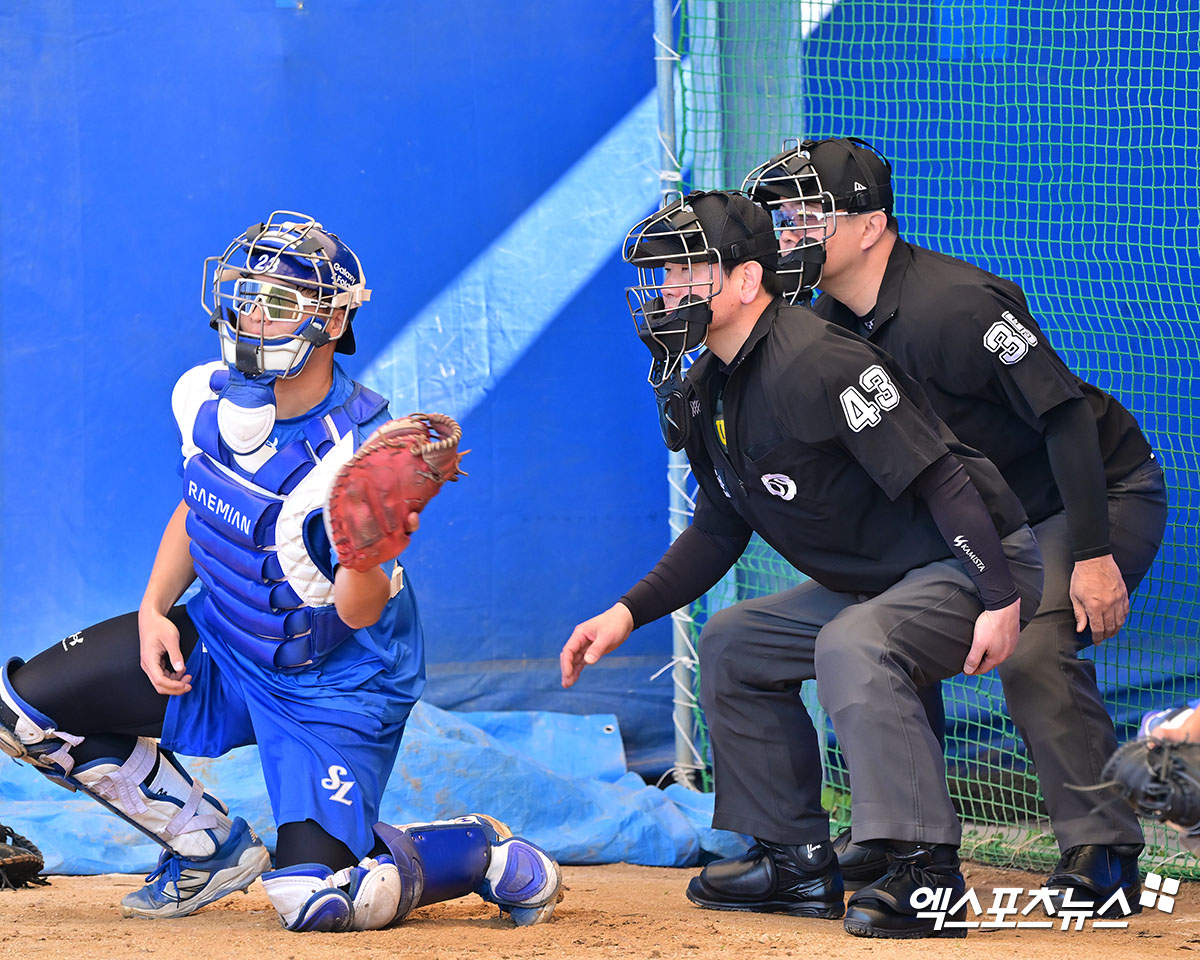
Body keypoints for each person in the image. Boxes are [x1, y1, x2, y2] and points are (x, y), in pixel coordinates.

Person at [0, 212, 560, 932]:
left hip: (334, 683)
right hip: (228, 639)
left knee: (318, 900)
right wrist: (152, 607)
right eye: (246, 294)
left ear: (330, 324)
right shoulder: (202, 396)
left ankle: (478, 853)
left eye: (280, 302)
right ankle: (206, 847)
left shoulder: (359, 451)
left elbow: (359, 611)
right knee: (26, 712)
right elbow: (203, 503)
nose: (253, 314)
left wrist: (366, 549)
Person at [560, 191, 1043, 938]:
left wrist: (1000, 598)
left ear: (747, 280)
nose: (666, 292)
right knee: (734, 641)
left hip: (971, 563)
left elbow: (944, 479)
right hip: (877, 582)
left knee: (853, 642)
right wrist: (624, 613)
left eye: (687, 271)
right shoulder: (709, 386)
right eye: (661, 276)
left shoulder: (822, 360)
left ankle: (926, 873)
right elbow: (720, 530)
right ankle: (794, 863)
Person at [747, 137, 1167, 912]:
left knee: (1035, 645)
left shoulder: (962, 305)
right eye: (782, 218)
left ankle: (1104, 850)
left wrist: (1096, 554)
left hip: (1086, 495)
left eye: (809, 215)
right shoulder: (823, 318)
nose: (789, 233)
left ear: (871, 226)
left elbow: (1068, 417)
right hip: (974, 516)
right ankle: (903, 835)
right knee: (884, 630)